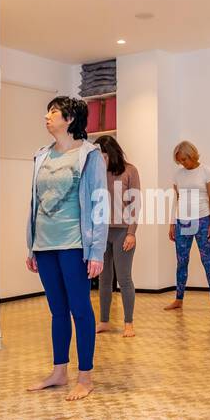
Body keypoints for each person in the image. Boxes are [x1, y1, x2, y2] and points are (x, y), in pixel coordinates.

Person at [25, 97, 109, 400]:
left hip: (74, 244)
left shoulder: (89, 155)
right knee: (57, 311)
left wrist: (96, 251)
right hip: (44, 244)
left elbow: (99, 203)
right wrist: (31, 246)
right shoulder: (41, 155)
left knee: (80, 309)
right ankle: (59, 371)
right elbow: (34, 203)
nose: (47, 117)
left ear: (70, 119)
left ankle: (85, 377)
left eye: (53, 112)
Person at [165, 141, 210, 313]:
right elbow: (177, 199)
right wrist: (172, 223)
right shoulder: (178, 174)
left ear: (192, 155)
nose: (182, 163)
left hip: (203, 220)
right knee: (181, 262)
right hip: (182, 221)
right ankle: (179, 299)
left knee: (207, 261)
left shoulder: (206, 171)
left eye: (184, 159)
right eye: (179, 161)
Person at [94, 135, 140, 337]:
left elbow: (135, 205)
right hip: (102, 231)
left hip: (123, 232)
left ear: (112, 153)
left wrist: (131, 233)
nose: (101, 160)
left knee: (124, 278)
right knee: (104, 279)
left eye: (104, 156)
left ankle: (128, 323)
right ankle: (104, 321)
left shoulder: (130, 171)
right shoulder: (97, 173)